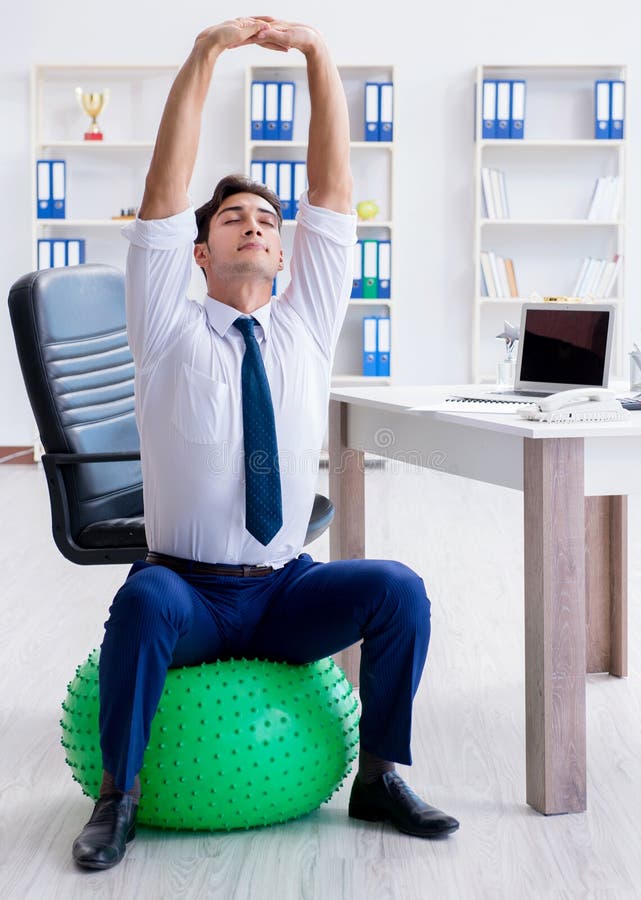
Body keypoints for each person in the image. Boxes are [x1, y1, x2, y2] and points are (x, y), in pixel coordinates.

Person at [71, 16, 459, 871]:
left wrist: (322, 56)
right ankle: (118, 796)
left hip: (285, 591)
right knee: (141, 605)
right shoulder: (164, 325)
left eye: (266, 222)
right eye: (232, 219)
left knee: (398, 589)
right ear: (198, 254)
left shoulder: (306, 325)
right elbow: (163, 191)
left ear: (284, 255)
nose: (254, 226)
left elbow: (331, 185)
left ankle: (381, 776)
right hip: (189, 594)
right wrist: (206, 54)